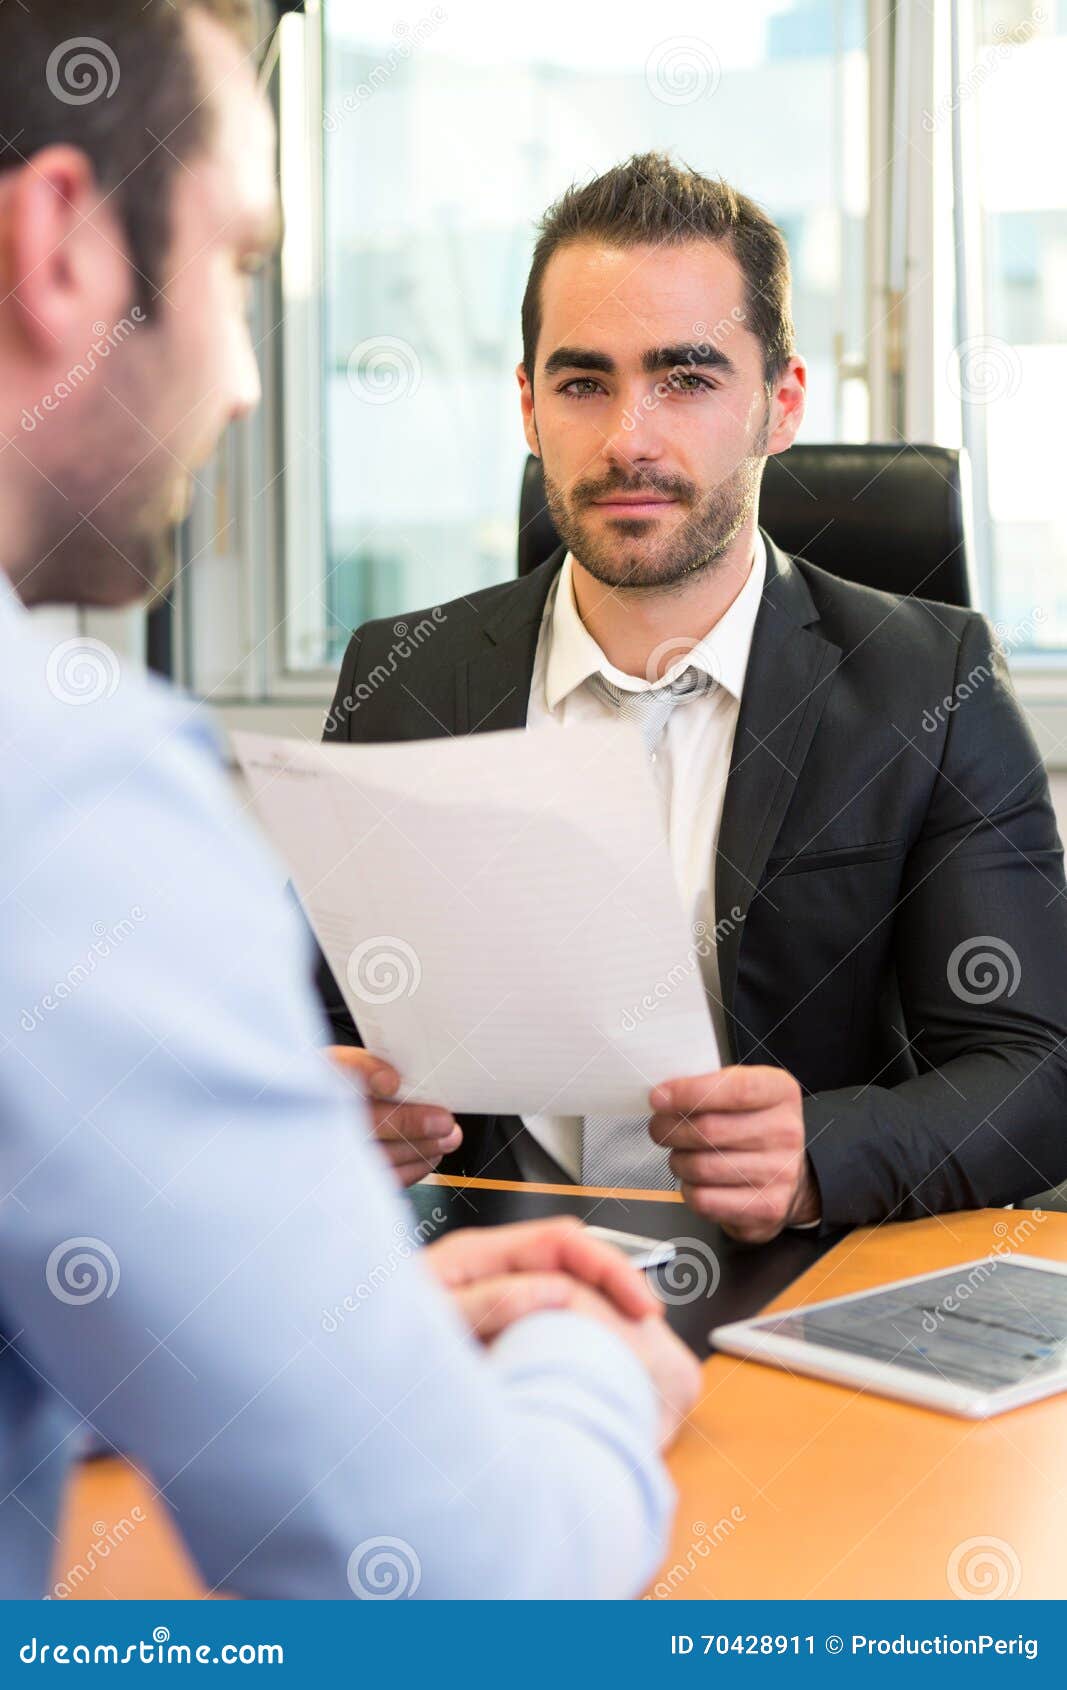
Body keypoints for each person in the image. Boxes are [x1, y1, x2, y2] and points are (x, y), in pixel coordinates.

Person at [0, 3, 699, 1600]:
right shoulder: (60, 792)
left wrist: (304, 1313)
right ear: (60, 246)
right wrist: (587, 1364)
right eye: (238, 263)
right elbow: (454, 1581)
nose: (245, 381)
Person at [318, 153, 1067, 1242]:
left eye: (687, 378)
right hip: (491, 1276)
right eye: (583, 383)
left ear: (780, 404)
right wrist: (332, 1099)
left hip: (791, 1287)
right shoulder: (404, 680)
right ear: (527, 408)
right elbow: (318, 1024)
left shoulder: (930, 682)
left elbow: (1034, 1068)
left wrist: (819, 1151)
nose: (629, 437)